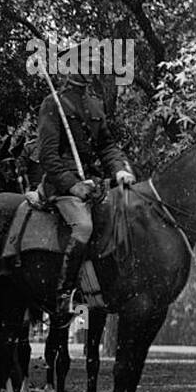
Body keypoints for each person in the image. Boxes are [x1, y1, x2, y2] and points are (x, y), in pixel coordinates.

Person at [36, 67, 135, 315]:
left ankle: (101, 288)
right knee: (83, 226)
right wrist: (73, 185)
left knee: (121, 217)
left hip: (93, 184)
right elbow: (48, 155)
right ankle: (65, 293)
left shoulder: (95, 105)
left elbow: (107, 146)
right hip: (63, 185)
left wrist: (119, 169)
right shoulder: (53, 102)